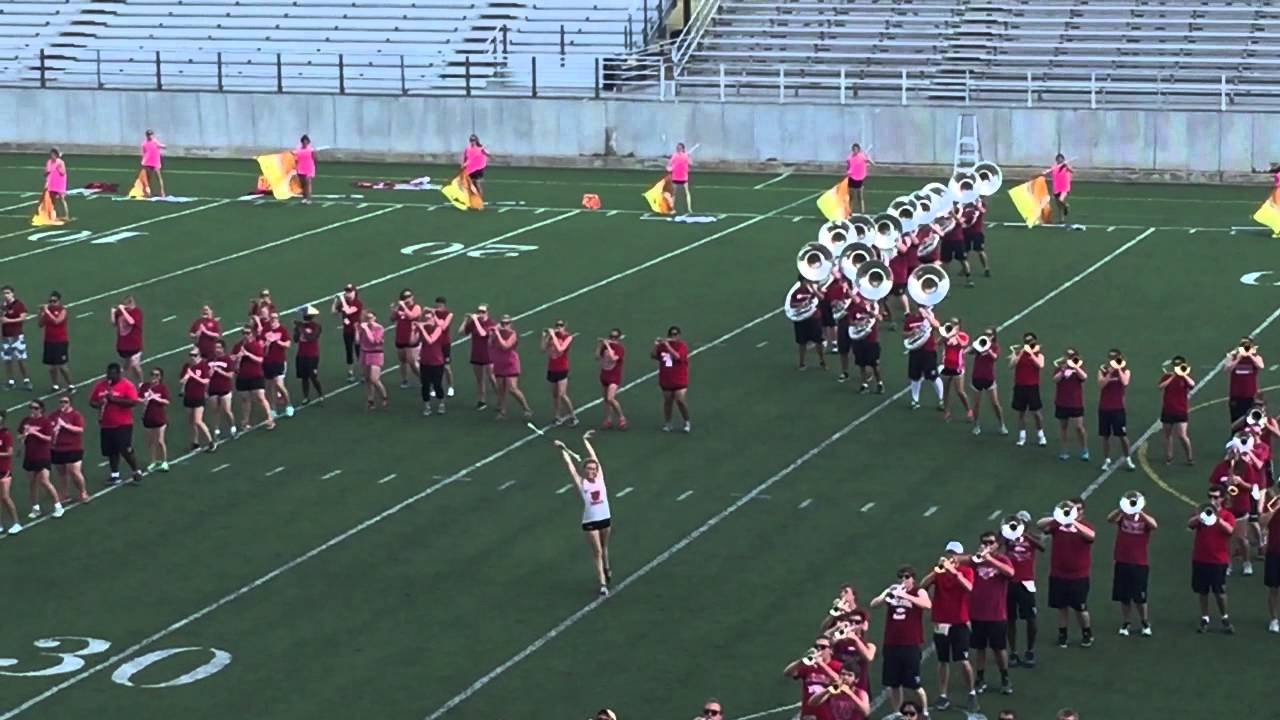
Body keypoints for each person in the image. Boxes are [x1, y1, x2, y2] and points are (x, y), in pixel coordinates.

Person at [922, 542, 977, 713]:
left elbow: (969, 588)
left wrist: (954, 572)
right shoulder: (939, 572)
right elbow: (922, 585)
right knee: (943, 660)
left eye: (954, 554)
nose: (951, 556)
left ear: (960, 556)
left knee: (963, 660)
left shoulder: (966, 571)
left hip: (959, 622)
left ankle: (972, 692)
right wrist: (936, 571)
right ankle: (943, 695)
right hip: (941, 621)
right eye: (949, 553)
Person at [554, 430, 611, 595]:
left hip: (605, 518)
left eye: (594, 468)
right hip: (590, 521)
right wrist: (563, 449)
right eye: (589, 469)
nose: (592, 471)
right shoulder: (582, 483)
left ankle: (607, 567)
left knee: (605, 547)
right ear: (585, 470)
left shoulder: (600, 478)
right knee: (597, 551)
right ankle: (602, 584)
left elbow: (594, 457)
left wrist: (585, 441)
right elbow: (570, 466)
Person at [869, 565, 931, 712]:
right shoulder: (893, 590)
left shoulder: (918, 591)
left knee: (914, 684)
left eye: (907, 577)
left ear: (913, 579)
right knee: (894, 684)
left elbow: (927, 604)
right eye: (901, 577)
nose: (903, 580)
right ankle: (897, 712)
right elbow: (873, 604)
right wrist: (886, 596)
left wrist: (905, 596)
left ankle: (925, 711)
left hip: (910, 644)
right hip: (891, 644)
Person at [1038, 499, 1096, 648]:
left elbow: (1091, 536)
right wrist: (1057, 517)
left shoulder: (1085, 526)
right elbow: (1040, 525)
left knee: (1080, 608)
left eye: (1078, 509)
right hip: (1058, 574)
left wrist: (1074, 522)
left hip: (1079, 576)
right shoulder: (1059, 525)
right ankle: (1063, 635)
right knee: (1061, 607)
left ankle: (1086, 632)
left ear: (1082, 512)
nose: (1074, 512)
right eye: (1072, 509)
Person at [966, 531, 1015, 696]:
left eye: (990, 542)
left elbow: (1010, 573)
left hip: (996, 614)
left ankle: (1005, 677)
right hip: (977, 613)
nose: (987, 545)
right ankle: (980, 678)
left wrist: (990, 560)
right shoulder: (976, 560)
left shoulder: (1002, 559)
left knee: (999, 648)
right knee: (979, 648)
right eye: (984, 542)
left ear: (997, 545)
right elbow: (961, 561)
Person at [1106, 498, 1158, 636]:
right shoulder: (1122, 517)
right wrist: (1121, 509)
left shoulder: (1144, 519)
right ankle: (1126, 622)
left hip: (1139, 562)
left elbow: (1154, 525)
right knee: (1124, 596)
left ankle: (1145, 622)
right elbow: (1109, 519)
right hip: (1122, 560)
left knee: (1140, 597)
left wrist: (1139, 512)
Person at [1189, 485, 1235, 634]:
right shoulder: (1202, 514)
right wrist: (1199, 517)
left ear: (1222, 498)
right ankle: (1205, 617)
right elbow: (1190, 524)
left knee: (1220, 592)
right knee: (1202, 591)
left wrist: (1217, 518)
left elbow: (1230, 530)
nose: (1212, 500)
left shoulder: (1227, 515)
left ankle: (1224, 616)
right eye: (1210, 497)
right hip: (1200, 558)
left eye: (1215, 497)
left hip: (1218, 560)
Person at [88, 363, 143, 486]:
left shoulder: (127, 385)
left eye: (112, 374)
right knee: (111, 451)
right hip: (106, 424)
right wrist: (99, 404)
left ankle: (136, 470)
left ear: (118, 373)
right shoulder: (101, 386)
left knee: (125, 449)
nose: (109, 376)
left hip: (123, 423)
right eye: (108, 373)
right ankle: (115, 475)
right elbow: (92, 401)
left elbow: (133, 402)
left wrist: (115, 400)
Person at [1003, 512, 1042, 668]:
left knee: (1031, 619)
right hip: (1009, 582)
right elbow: (997, 546)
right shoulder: (1007, 537)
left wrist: (1025, 535)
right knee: (1010, 619)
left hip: (1026, 583)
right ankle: (1013, 652)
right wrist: (1006, 534)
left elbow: (1042, 546)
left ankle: (1030, 650)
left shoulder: (1030, 538)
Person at [20, 400, 62, 519]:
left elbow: (48, 438)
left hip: (42, 455)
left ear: (41, 409)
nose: (33, 410)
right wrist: (24, 435)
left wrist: (34, 433)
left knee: (44, 480)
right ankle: (35, 508)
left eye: (36, 408)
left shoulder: (45, 422)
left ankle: (58, 506)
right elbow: (20, 435)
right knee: (32, 483)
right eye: (31, 408)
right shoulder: (26, 421)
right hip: (30, 455)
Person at [783, 637, 842, 720]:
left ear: (831, 650)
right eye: (816, 647)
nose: (818, 649)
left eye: (822, 647)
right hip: (808, 714)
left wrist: (821, 664)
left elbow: (839, 680)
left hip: (828, 714)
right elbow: (787, 673)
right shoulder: (809, 667)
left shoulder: (837, 666)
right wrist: (801, 661)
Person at [231, 325, 275, 430]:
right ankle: (245, 421)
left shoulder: (256, 345)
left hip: (256, 375)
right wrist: (237, 358)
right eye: (244, 333)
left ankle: (270, 418)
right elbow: (232, 359)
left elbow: (260, 360)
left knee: (260, 397)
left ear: (252, 334)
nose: (245, 336)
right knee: (245, 399)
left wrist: (247, 354)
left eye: (248, 333)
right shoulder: (238, 346)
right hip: (242, 376)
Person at [1097, 349, 1134, 472]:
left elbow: (1125, 382)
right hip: (1104, 408)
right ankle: (1107, 459)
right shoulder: (1102, 370)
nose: (1112, 361)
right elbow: (1101, 384)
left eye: (1115, 358)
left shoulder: (1125, 371)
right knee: (1105, 436)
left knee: (1122, 435)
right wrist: (1109, 373)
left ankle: (1128, 458)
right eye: (1110, 358)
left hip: (1118, 408)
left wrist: (1117, 370)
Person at [1009, 333, 1047, 447]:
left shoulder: (1039, 355)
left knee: (1036, 413)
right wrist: (1020, 353)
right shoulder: (1018, 353)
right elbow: (1011, 365)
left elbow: (1040, 365)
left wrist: (1031, 354)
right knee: (1021, 413)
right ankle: (1022, 436)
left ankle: (1041, 435)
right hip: (1020, 386)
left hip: (1032, 387)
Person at [903, 307, 943, 411]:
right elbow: (904, 334)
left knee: (933, 375)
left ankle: (941, 399)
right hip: (915, 351)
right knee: (915, 376)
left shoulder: (929, 317)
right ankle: (915, 400)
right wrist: (912, 332)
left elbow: (938, 327)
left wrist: (928, 316)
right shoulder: (910, 319)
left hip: (929, 351)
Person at [969, 328, 1007, 435]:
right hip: (977, 377)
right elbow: (968, 351)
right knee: (976, 404)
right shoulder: (979, 343)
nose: (987, 335)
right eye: (986, 334)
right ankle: (976, 425)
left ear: (993, 336)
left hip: (989, 378)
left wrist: (989, 350)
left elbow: (995, 357)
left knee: (995, 403)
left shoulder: (995, 346)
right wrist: (973, 347)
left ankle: (1001, 424)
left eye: (989, 334)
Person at [1053, 350, 1089, 462]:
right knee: (1063, 427)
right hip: (1062, 402)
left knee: (1079, 427)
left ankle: (1084, 450)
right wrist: (1063, 370)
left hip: (1076, 403)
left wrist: (1075, 368)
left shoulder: (1079, 367)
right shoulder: (1060, 368)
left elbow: (1084, 377)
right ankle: (1064, 450)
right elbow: (1055, 379)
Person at [49, 394, 86, 503]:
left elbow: (80, 429)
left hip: (73, 448)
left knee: (74, 472)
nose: (63, 404)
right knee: (61, 473)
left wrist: (65, 426)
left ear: (70, 403)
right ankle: (64, 493)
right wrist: (54, 429)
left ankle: (83, 492)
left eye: (65, 402)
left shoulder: (76, 415)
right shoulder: (53, 415)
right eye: (61, 401)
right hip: (57, 448)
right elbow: (48, 429)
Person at [654, 326, 691, 433]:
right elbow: (654, 355)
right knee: (668, 401)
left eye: (675, 334)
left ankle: (687, 421)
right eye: (671, 335)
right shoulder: (662, 347)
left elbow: (677, 356)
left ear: (679, 336)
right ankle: (668, 423)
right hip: (666, 379)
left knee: (680, 400)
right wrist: (656, 346)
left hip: (680, 379)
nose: (673, 337)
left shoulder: (682, 346)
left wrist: (667, 345)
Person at [1159, 357, 1195, 465]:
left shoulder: (1185, 378)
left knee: (1182, 435)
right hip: (1168, 409)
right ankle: (1169, 456)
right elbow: (1161, 386)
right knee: (1167, 434)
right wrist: (1173, 376)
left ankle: (1189, 457)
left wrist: (1183, 375)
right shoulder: (1167, 376)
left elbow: (1192, 384)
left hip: (1181, 410)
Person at [460, 305, 497, 410]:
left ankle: (500, 397)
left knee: (492, 378)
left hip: (488, 354)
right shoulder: (474, 323)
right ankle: (482, 400)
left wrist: (475, 320)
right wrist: (465, 321)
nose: (481, 314)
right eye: (479, 312)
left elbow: (483, 333)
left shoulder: (491, 323)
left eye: (483, 312)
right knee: (479, 379)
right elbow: (462, 332)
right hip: (476, 354)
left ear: (487, 313)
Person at [844, 296, 883, 394]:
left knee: (875, 364)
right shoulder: (855, 308)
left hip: (871, 340)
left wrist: (870, 311)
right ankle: (864, 384)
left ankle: (880, 383)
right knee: (861, 364)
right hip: (859, 339)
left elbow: (880, 318)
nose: (864, 301)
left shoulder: (874, 307)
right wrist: (857, 323)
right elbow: (850, 321)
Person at [543, 320, 578, 426]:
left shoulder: (568, 337)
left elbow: (560, 348)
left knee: (562, 394)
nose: (558, 327)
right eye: (557, 325)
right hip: (552, 368)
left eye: (561, 326)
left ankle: (573, 416)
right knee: (555, 394)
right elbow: (542, 349)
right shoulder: (552, 337)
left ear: (565, 327)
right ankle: (557, 416)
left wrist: (553, 335)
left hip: (562, 368)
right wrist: (544, 337)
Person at [178, 349, 214, 452]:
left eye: (194, 355)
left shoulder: (203, 366)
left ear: (199, 355)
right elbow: (181, 380)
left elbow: (206, 380)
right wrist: (186, 378)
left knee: (198, 420)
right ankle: (195, 442)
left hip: (198, 397)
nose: (192, 357)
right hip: (188, 397)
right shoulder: (188, 366)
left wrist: (193, 376)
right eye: (191, 355)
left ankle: (211, 441)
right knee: (191, 422)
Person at [260, 313, 294, 419]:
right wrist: (266, 344)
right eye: (272, 319)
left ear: (278, 319)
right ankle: (273, 409)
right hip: (267, 362)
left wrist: (277, 341)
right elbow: (261, 345)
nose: (273, 320)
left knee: (279, 384)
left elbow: (288, 344)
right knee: (271, 387)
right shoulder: (265, 330)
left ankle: (288, 405)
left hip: (279, 361)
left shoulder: (282, 330)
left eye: (275, 318)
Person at [38, 291, 72, 393]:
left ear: (58, 301)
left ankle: (70, 384)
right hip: (49, 341)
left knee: (62, 366)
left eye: (54, 301)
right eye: (50, 301)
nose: (52, 303)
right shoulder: (47, 311)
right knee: (51, 366)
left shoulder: (63, 310)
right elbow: (40, 324)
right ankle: (55, 384)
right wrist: (41, 314)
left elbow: (57, 321)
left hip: (60, 341)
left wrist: (47, 312)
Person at [789, 278, 825, 371]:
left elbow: (821, 298)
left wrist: (814, 290)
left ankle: (822, 360)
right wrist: (800, 305)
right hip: (801, 318)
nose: (808, 283)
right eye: (806, 281)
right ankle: (802, 363)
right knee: (802, 342)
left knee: (818, 340)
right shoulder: (796, 292)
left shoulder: (814, 289)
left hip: (814, 317)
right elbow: (791, 305)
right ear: (801, 282)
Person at [939, 319, 972, 422]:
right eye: (951, 323)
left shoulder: (963, 335)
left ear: (958, 325)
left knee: (960, 391)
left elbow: (963, 344)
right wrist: (945, 336)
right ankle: (946, 411)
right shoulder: (946, 334)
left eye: (955, 324)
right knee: (946, 391)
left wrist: (955, 334)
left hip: (958, 366)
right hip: (947, 365)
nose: (953, 325)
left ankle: (968, 410)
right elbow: (938, 342)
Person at [417, 311, 448, 416]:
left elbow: (431, 340)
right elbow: (413, 341)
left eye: (429, 318)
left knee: (437, 384)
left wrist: (421, 329)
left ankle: (441, 403)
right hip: (425, 361)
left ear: (434, 319)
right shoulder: (424, 329)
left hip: (437, 361)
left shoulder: (438, 329)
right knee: (425, 385)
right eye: (425, 319)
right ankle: (427, 406)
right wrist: (414, 330)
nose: (427, 321)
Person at [1, 285, 32, 391]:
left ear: (12, 293)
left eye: (8, 293)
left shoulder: (19, 304)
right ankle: (10, 381)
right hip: (6, 336)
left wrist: (9, 321)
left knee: (21, 359)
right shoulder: (3, 306)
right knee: (8, 360)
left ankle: (26, 380)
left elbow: (23, 317)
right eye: (4, 293)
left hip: (17, 336)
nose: (6, 295)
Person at [140, 367, 170, 473]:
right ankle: (152, 461)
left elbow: (167, 401)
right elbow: (137, 398)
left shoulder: (162, 388)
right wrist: (144, 400)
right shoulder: (145, 387)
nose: (154, 377)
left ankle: (164, 461)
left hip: (159, 417)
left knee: (160, 441)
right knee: (151, 442)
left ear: (160, 377)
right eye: (152, 374)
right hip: (147, 417)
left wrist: (155, 398)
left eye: (157, 375)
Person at [1226, 338, 1263, 425]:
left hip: (1251, 396)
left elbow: (1261, 366)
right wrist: (1238, 359)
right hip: (1236, 395)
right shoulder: (1232, 357)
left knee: (1251, 422)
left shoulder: (1256, 357)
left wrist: (1250, 356)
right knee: (1236, 422)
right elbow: (1228, 369)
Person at [391, 289, 422, 390]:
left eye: (408, 296)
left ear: (412, 297)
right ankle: (405, 380)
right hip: (400, 337)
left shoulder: (416, 307)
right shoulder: (400, 307)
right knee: (403, 361)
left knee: (412, 362)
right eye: (404, 298)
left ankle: (423, 379)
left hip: (411, 339)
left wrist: (403, 307)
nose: (407, 299)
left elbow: (412, 316)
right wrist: (394, 311)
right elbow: (392, 319)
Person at [332, 284, 364, 383]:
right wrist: (335, 302)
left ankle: (363, 372)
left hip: (356, 331)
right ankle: (350, 372)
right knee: (349, 351)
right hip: (347, 330)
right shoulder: (344, 302)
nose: (347, 294)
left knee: (359, 351)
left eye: (350, 292)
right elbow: (333, 312)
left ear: (354, 292)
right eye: (346, 292)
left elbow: (349, 311)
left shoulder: (357, 303)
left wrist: (342, 300)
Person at [357, 311, 389, 410]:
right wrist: (357, 330)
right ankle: (370, 399)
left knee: (374, 379)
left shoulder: (379, 328)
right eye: (367, 318)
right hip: (365, 353)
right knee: (367, 379)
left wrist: (366, 329)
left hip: (376, 354)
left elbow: (374, 341)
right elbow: (358, 341)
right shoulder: (362, 328)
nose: (368, 320)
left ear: (375, 318)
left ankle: (384, 396)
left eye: (370, 318)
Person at [293, 307, 324, 405]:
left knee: (313, 376)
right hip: (301, 354)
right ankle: (306, 396)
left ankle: (320, 394)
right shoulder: (300, 326)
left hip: (312, 355)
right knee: (304, 377)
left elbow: (311, 337)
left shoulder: (316, 326)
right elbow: (296, 339)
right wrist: (297, 330)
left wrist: (301, 328)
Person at [110, 295, 144, 384]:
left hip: (135, 344)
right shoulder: (121, 312)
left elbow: (131, 321)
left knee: (135, 365)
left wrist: (123, 310)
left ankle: (141, 383)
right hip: (123, 345)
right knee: (126, 367)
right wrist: (113, 313)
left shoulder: (137, 312)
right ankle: (126, 384)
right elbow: (114, 323)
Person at [206, 340, 236, 441]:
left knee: (227, 410)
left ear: (223, 348)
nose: (217, 350)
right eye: (215, 347)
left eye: (219, 347)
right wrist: (210, 373)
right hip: (213, 388)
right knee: (215, 410)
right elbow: (206, 375)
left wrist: (220, 371)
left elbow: (231, 375)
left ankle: (232, 427)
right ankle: (216, 430)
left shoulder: (227, 360)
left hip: (225, 388)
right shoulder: (210, 360)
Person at [598, 329, 627, 430]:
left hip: (614, 376)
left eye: (615, 337)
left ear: (618, 339)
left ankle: (622, 418)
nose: (612, 339)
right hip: (604, 374)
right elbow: (597, 356)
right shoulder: (605, 347)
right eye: (611, 337)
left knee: (611, 398)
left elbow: (614, 358)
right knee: (606, 400)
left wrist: (609, 345)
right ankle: (608, 419)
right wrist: (600, 345)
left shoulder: (620, 348)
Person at [0, 410, 21, 535]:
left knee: (5, 497)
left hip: (4, 470)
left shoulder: (6, 435)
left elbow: (10, 452)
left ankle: (16, 522)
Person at [961, 196, 991, 277]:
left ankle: (986, 268)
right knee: (965, 252)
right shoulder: (964, 204)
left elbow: (983, 211)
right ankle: (965, 269)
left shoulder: (980, 203)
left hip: (976, 232)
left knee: (980, 251)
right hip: (965, 232)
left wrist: (977, 205)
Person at [1264, 493, 1280, 633]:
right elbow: (1262, 522)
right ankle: (1274, 619)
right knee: (1273, 587)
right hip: (1275, 552)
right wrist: (1274, 510)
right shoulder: (1272, 503)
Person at [433, 297, 455, 398]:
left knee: (446, 367)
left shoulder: (449, 314)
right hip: (436, 343)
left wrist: (434, 316)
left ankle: (450, 387)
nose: (438, 307)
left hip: (445, 344)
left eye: (440, 305)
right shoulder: (434, 313)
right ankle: (436, 387)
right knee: (435, 367)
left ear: (444, 305)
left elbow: (444, 327)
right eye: (437, 305)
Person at [846, 143, 874, 213]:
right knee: (851, 197)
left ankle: (862, 212)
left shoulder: (862, 156)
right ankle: (849, 212)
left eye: (856, 149)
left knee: (860, 197)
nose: (855, 150)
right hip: (851, 178)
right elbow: (848, 167)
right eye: (854, 149)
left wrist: (870, 160)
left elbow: (871, 162)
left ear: (858, 150)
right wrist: (848, 171)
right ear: (852, 150)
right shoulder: (850, 157)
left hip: (859, 179)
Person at [462, 134, 491, 199]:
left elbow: (488, 154)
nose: (472, 142)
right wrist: (464, 165)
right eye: (471, 140)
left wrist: (485, 151)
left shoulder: (480, 148)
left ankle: (480, 199)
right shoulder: (467, 149)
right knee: (470, 184)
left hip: (478, 169)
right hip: (470, 169)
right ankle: (472, 199)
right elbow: (466, 158)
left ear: (476, 141)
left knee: (477, 184)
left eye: (474, 140)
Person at [44, 148, 69, 221]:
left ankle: (66, 215)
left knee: (62, 198)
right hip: (52, 182)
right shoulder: (49, 162)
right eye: (51, 154)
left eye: (53, 154)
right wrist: (46, 173)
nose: (52, 156)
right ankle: (53, 215)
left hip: (60, 183)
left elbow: (63, 173)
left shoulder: (60, 162)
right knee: (52, 200)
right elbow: (46, 172)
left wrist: (58, 167)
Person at [1047, 153, 1073, 223]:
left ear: (1063, 160)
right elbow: (1049, 172)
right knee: (1058, 205)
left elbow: (1072, 171)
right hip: (1056, 188)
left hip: (1065, 188)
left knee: (1061, 200)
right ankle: (1062, 219)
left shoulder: (1066, 167)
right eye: (1058, 160)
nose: (1059, 161)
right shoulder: (1054, 167)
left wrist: (1067, 166)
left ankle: (1066, 205)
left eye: (1061, 159)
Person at [667, 142, 692, 215]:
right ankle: (672, 208)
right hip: (676, 177)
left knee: (686, 193)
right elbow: (669, 164)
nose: (678, 149)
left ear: (682, 149)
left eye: (679, 148)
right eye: (677, 147)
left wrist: (689, 157)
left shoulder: (685, 156)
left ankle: (689, 208)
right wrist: (669, 168)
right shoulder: (674, 156)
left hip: (684, 177)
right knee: (673, 194)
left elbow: (690, 163)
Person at [141, 129, 166, 197]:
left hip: (155, 163)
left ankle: (162, 192)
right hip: (148, 163)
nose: (150, 136)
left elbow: (161, 146)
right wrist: (143, 161)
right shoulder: (144, 144)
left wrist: (164, 146)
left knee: (158, 177)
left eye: (151, 134)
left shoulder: (155, 142)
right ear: (146, 135)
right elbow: (144, 153)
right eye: (149, 135)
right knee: (148, 178)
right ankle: (148, 192)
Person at [294, 134, 315, 204]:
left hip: (309, 168)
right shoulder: (298, 149)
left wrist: (314, 167)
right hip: (300, 168)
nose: (305, 143)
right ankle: (305, 198)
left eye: (307, 141)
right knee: (302, 185)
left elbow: (314, 158)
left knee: (308, 183)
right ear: (302, 142)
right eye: (304, 141)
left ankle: (309, 199)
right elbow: (296, 159)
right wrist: (296, 167)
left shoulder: (310, 149)